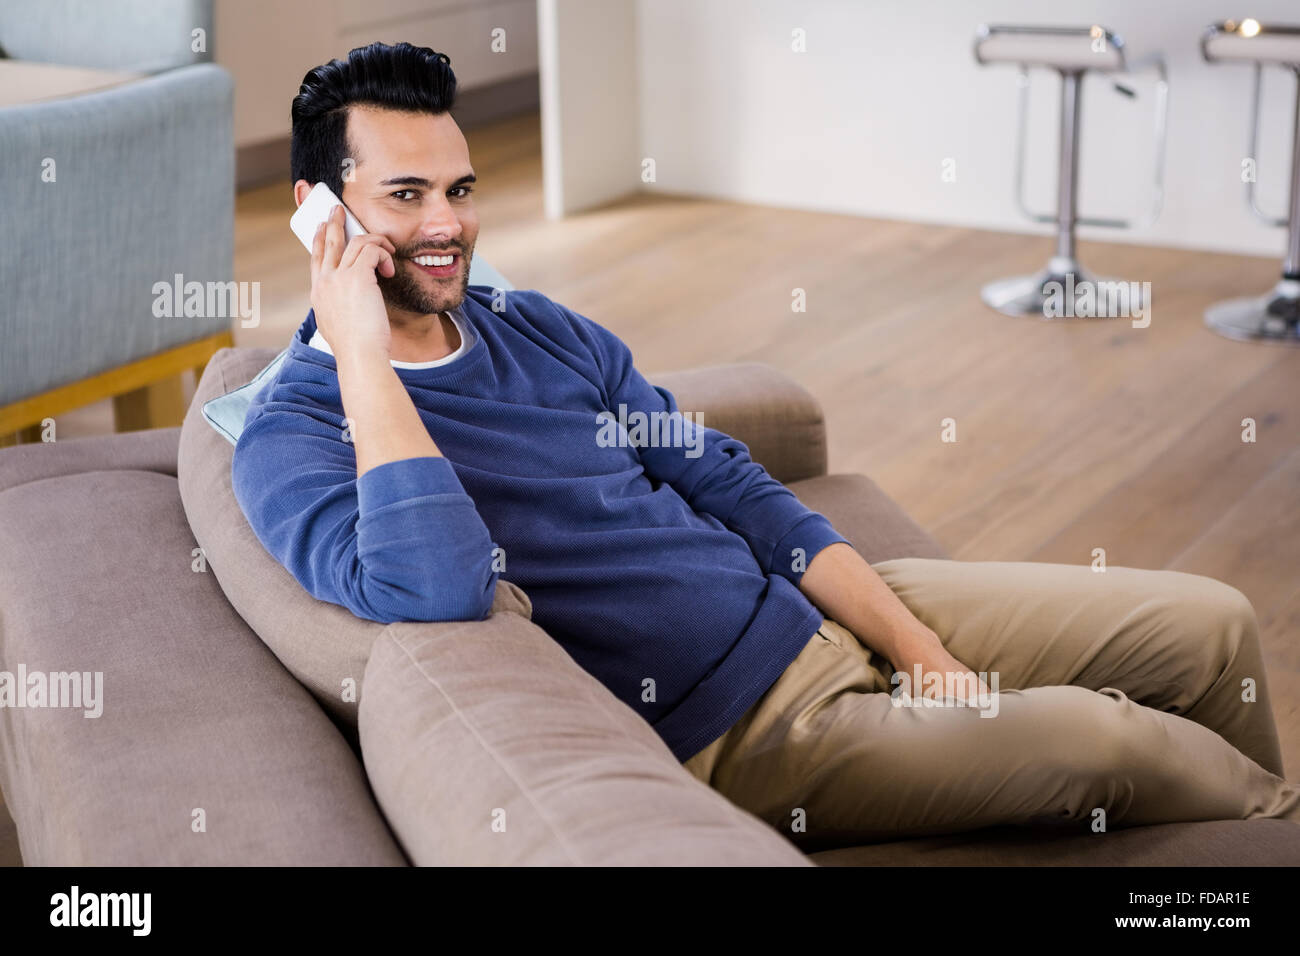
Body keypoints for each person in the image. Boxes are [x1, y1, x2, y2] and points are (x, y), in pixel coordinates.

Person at [232, 41, 1300, 846]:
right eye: (404, 195)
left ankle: (1253, 840)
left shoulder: (536, 326)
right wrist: (360, 352)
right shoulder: (296, 433)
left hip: (834, 608)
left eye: (459, 190)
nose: (447, 226)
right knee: (1113, 740)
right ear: (318, 210)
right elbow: (440, 583)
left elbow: (730, 483)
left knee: (1209, 621)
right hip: (745, 734)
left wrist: (919, 652)